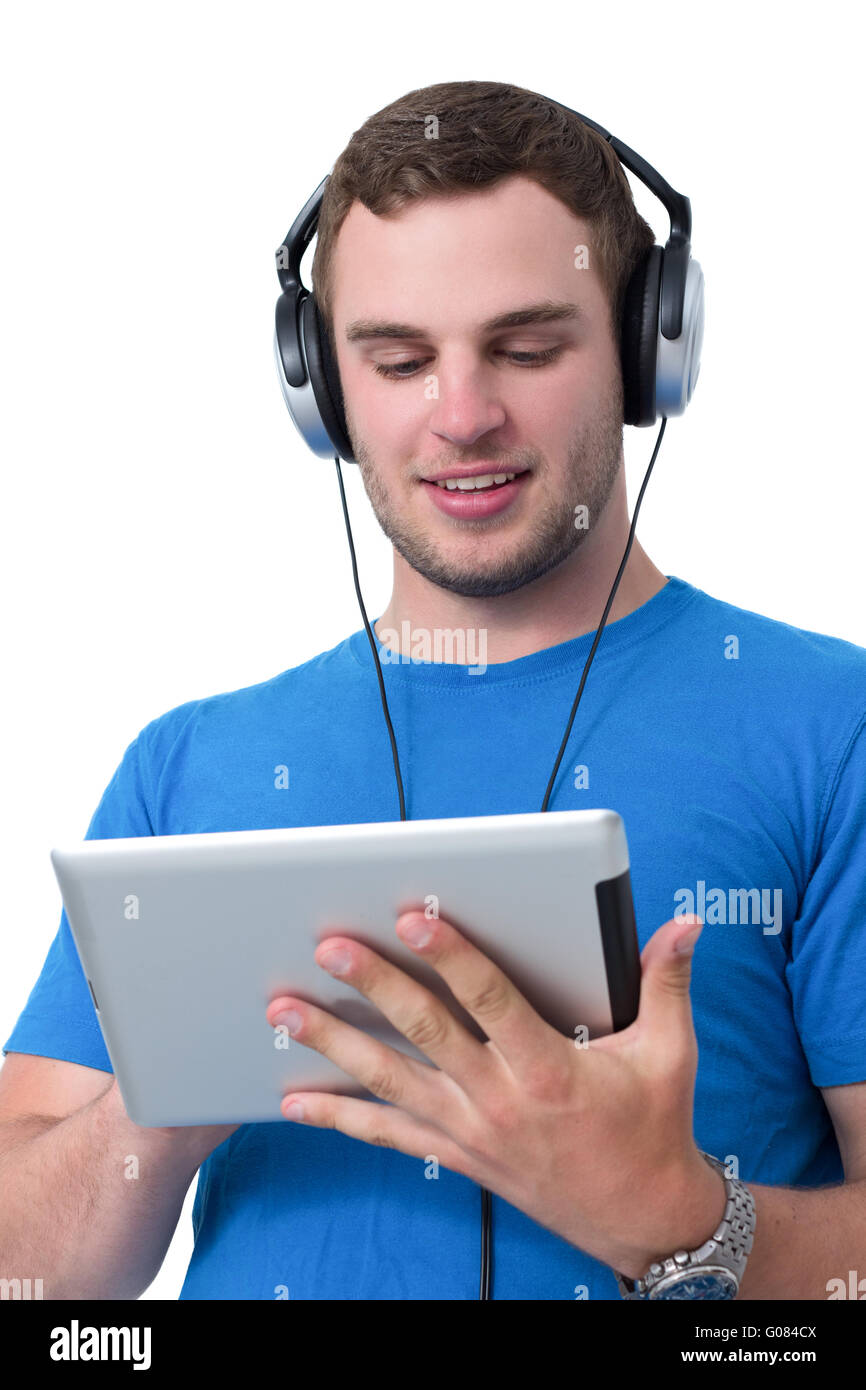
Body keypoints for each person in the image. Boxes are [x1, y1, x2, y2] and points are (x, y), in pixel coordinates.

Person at [2, 79, 866, 1302]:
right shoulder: (186, 763)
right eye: (398, 359)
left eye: (524, 348)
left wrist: (684, 1219)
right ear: (321, 389)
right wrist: (172, 1098)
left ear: (643, 352)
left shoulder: (832, 729)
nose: (459, 416)